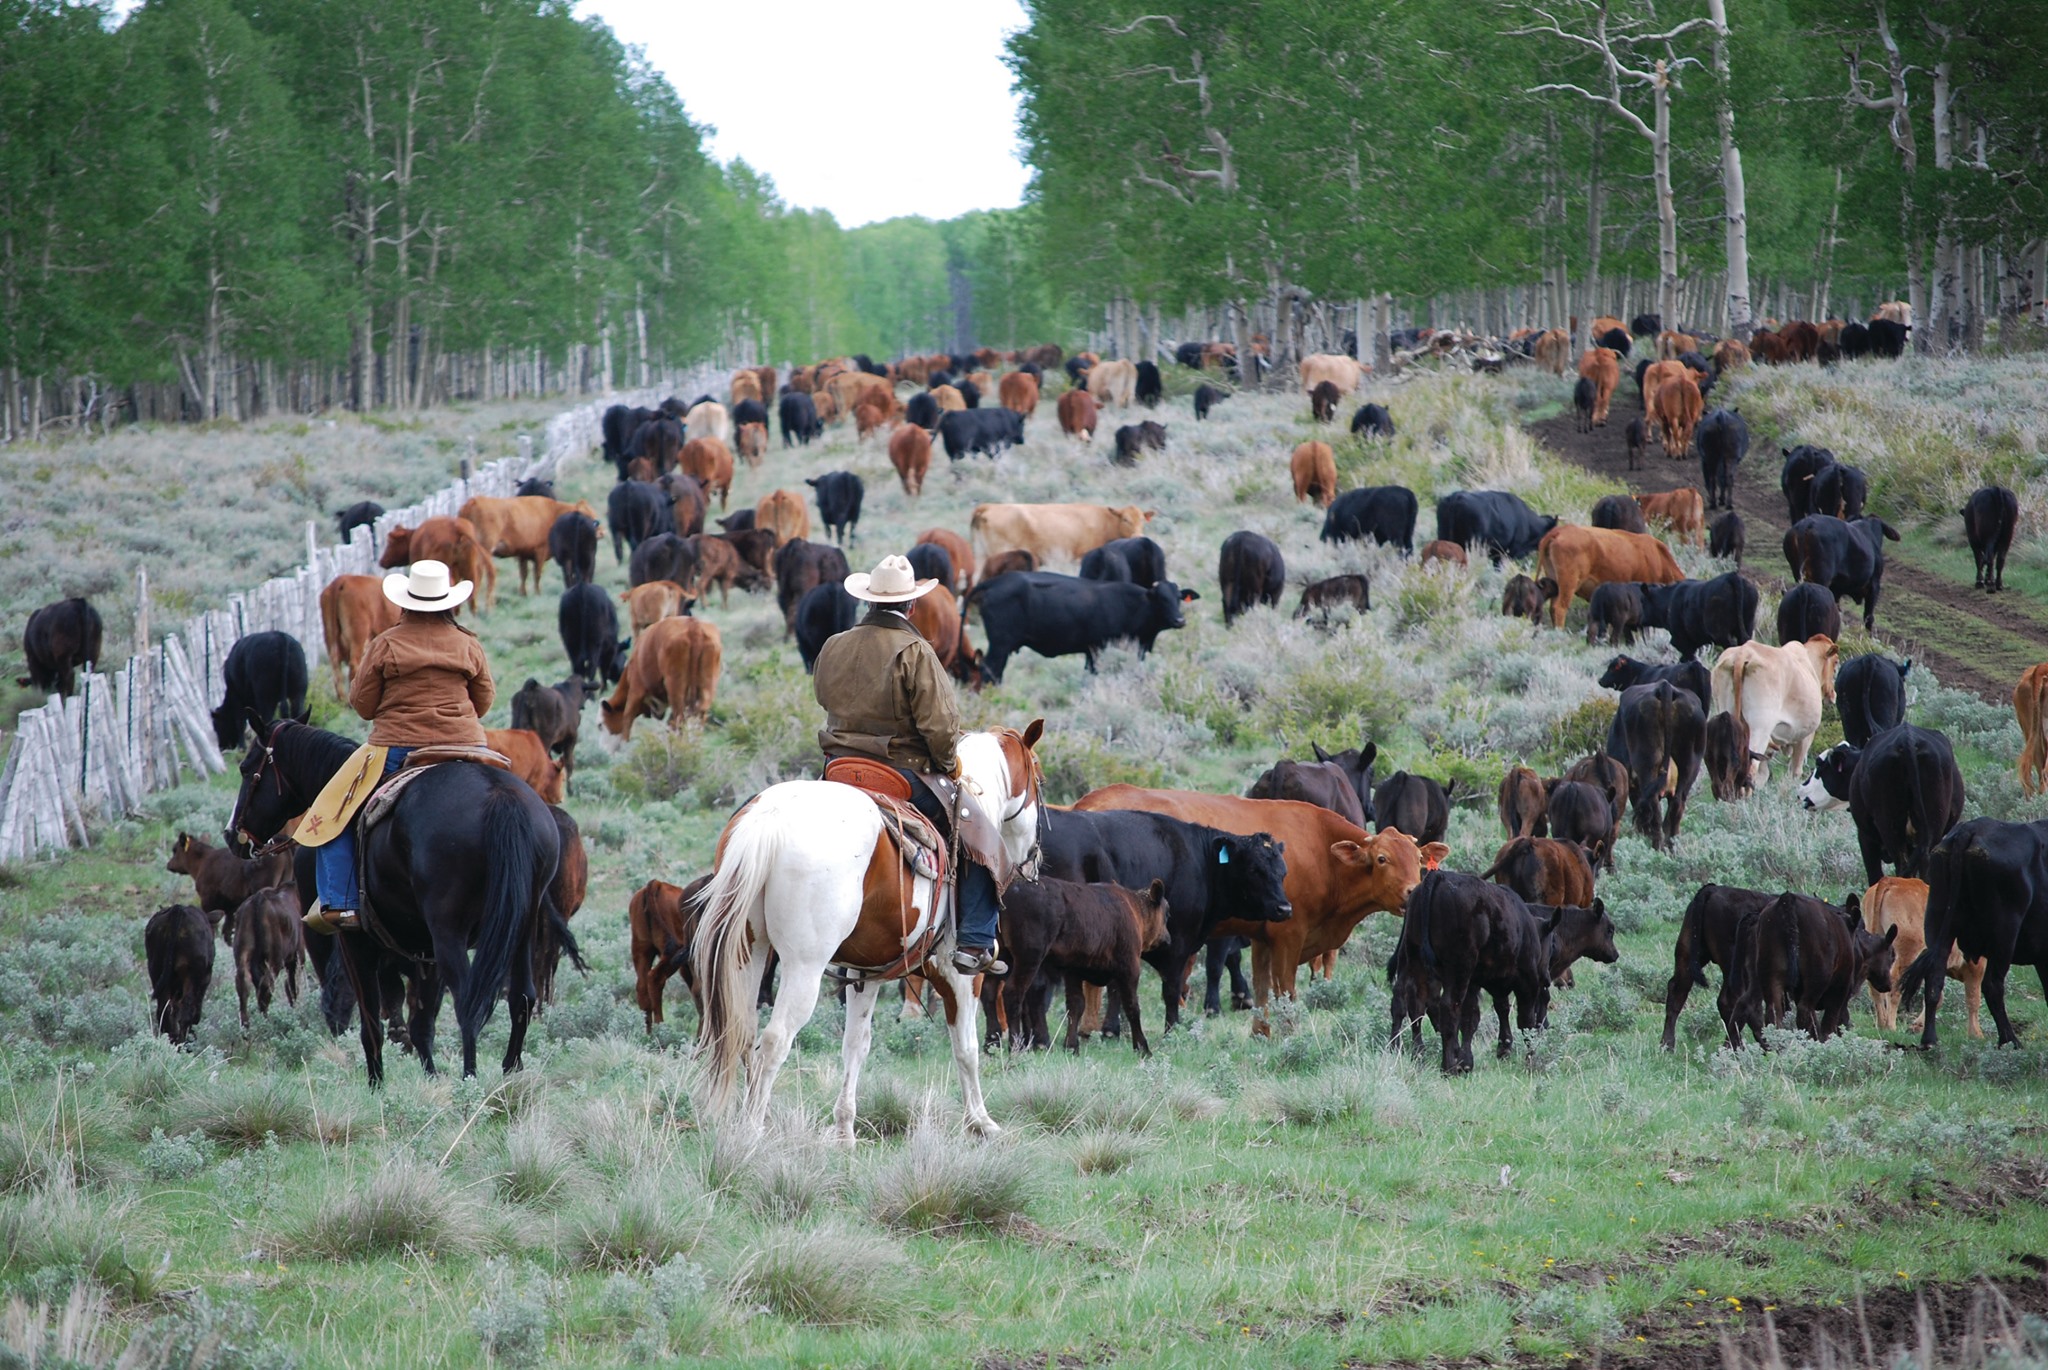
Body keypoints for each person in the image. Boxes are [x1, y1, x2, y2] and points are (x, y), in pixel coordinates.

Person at [813, 554, 1004, 976]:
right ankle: (974, 940)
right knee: (978, 834)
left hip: (837, 769)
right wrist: (950, 766)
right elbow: (939, 728)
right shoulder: (915, 651)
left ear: (868, 602)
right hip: (900, 773)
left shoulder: (833, 645)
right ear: (912, 606)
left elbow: (823, 697)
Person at [303, 560, 493, 933]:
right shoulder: (468, 643)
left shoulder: (386, 644)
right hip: (467, 746)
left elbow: (363, 705)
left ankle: (341, 904)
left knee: (334, 812)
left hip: (398, 749)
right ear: (448, 603)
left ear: (406, 602)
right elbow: (483, 703)